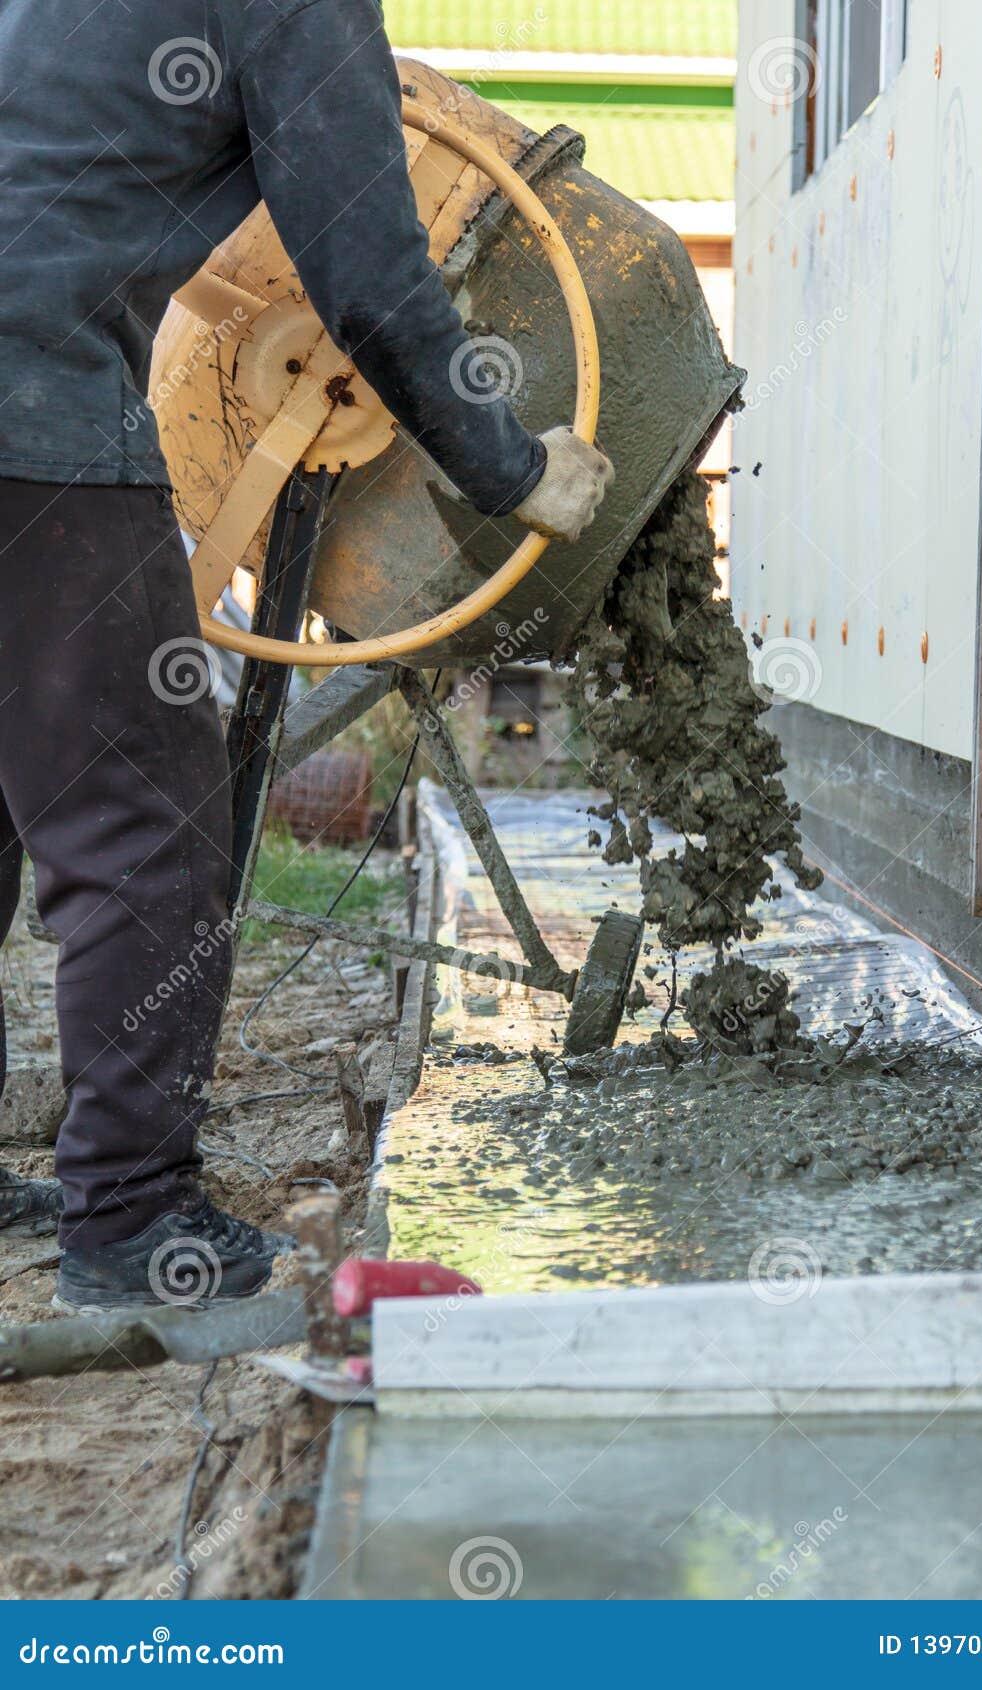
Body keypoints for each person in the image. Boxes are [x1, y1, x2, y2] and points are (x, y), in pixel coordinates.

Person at [0, 1, 613, 1311]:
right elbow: (367, 266)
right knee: (147, 831)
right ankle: (130, 1223)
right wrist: (512, 467)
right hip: (29, 411)